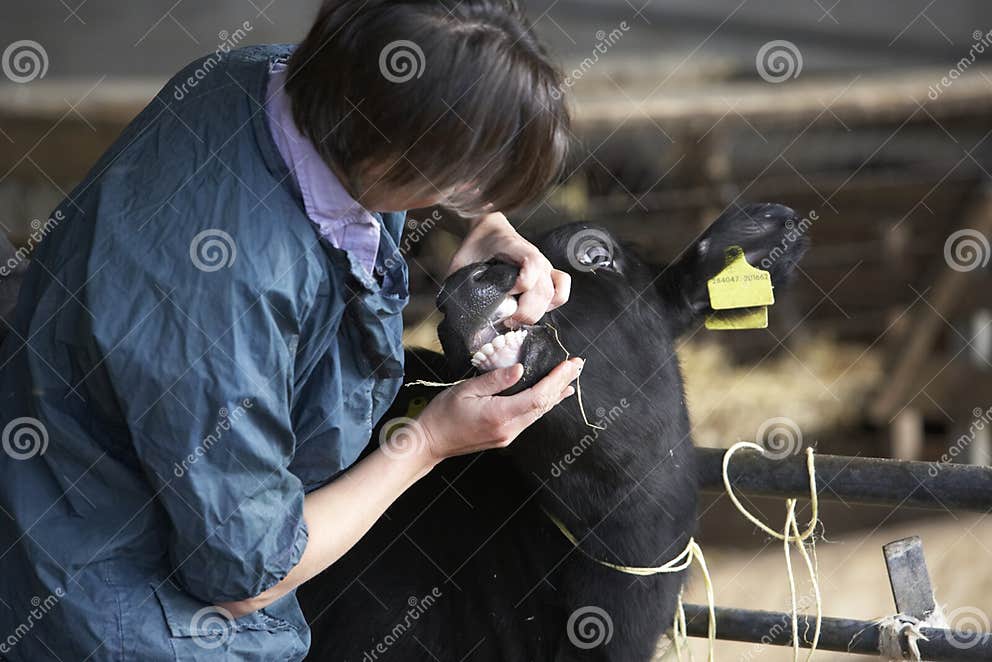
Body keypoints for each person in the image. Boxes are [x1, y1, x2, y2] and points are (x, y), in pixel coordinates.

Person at [0, 1, 583, 659]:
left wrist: (489, 227)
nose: (473, 198)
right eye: (470, 181)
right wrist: (427, 442)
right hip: (120, 618)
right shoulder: (224, 297)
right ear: (398, 155)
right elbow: (246, 573)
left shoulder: (262, 78)